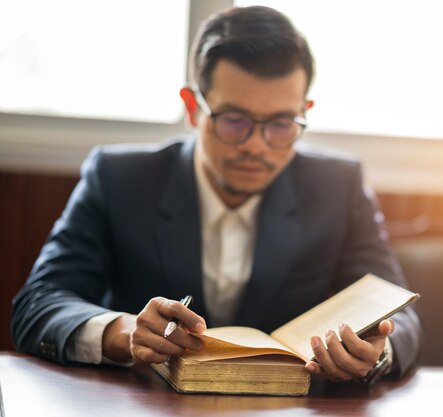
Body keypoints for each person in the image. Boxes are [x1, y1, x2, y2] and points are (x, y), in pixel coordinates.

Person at [11, 5, 421, 384]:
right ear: (192, 108)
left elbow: (400, 316)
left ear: (305, 111)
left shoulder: (337, 184)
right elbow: (39, 304)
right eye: (235, 120)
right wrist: (124, 331)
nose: (257, 145)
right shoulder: (120, 178)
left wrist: (376, 354)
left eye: (281, 123)